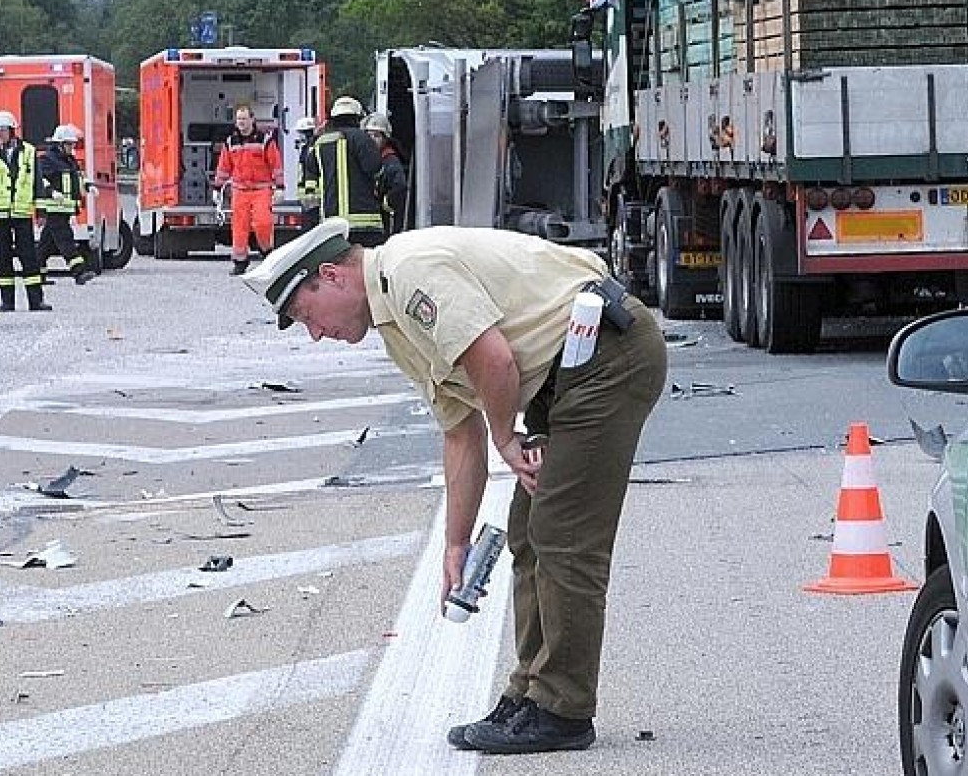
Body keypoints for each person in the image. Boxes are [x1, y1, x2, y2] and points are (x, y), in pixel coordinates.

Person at [241, 218, 667, 756]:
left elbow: (495, 360)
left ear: (331, 276)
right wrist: (455, 542)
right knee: (530, 534)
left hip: (607, 358)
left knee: (563, 534)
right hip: (567, 374)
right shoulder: (395, 325)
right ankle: (530, 696)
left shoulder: (409, 271)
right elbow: (459, 433)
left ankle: (562, 710)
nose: (314, 333)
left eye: (306, 314)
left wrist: (506, 438)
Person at [0, 110, 52, 312]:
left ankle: (36, 300)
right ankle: (7, 301)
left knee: (28, 256)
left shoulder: (29, 151)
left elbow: (37, 182)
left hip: (21, 213)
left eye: (2, 131)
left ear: (11, 131)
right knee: (2, 257)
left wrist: (41, 211)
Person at [304, 96, 385, 245]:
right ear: (357, 117)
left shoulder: (320, 143)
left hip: (332, 225)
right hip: (364, 224)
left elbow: (310, 175)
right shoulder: (362, 139)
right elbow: (375, 169)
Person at [213, 104, 283, 275]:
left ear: (252, 119)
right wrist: (217, 188)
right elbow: (223, 167)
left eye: (244, 119)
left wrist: (280, 187)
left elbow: (276, 164)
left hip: (261, 189)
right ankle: (240, 261)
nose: (241, 122)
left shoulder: (265, 140)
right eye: (239, 119)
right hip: (240, 190)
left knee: (263, 223)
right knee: (239, 227)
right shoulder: (230, 142)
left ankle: (267, 253)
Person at [36, 124, 92, 286]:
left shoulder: (69, 160)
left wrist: (89, 186)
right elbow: (40, 180)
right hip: (54, 208)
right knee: (65, 240)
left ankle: (37, 274)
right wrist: (52, 192)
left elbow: (79, 177)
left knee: (45, 245)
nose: (72, 147)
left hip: (65, 209)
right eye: (69, 144)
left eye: (73, 144)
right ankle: (79, 272)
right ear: (59, 144)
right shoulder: (47, 160)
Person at [363, 111, 410, 237]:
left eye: (377, 136)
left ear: (385, 139)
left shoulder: (390, 161)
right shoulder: (367, 160)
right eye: (369, 135)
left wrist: (386, 204)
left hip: (387, 224)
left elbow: (399, 187)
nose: (372, 140)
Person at [293, 116, 320, 233]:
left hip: (312, 197)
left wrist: (310, 193)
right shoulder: (307, 148)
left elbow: (310, 172)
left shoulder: (312, 148)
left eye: (300, 133)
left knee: (310, 229)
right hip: (308, 197)